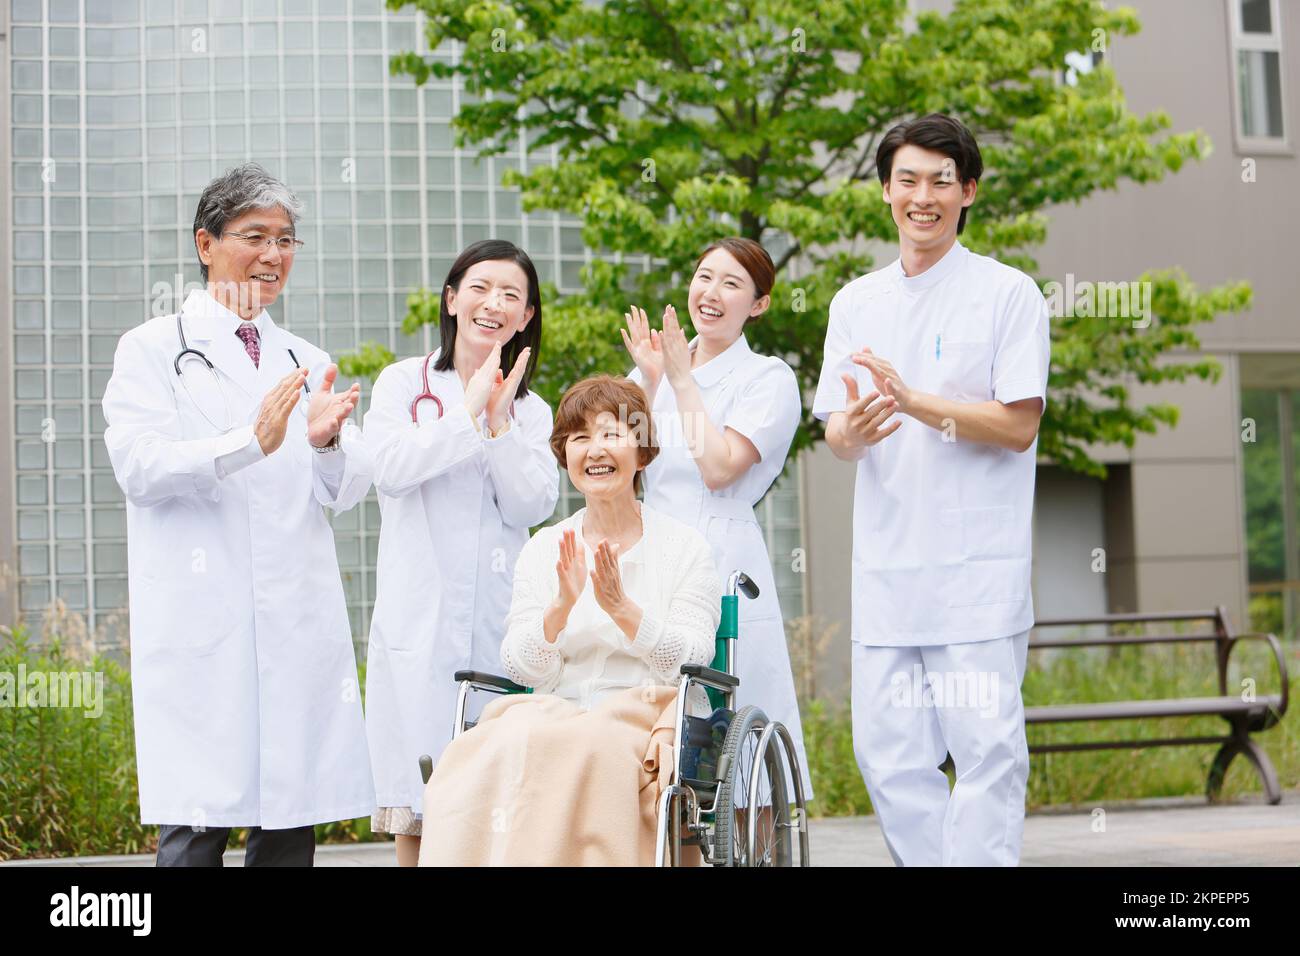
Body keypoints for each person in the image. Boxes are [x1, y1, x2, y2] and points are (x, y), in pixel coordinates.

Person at [101, 163, 374, 866]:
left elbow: (343, 493)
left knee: (288, 832)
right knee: (197, 833)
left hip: (294, 629)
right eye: (254, 236)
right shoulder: (153, 350)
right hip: (205, 626)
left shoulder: (307, 361)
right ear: (205, 243)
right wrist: (247, 444)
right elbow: (140, 468)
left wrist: (330, 443)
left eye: (286, 240)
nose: (273, 255)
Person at [812, 114, 1051, 867]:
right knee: (889, 758)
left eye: (941, 181)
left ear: (968, 191)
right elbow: (837, 436)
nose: (924, 196)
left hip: (975, 574)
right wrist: (852, 430)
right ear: (886, 191)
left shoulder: (1009, 295)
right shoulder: (855, 301)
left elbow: (1017, 425)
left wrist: (916, 402)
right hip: (888, 570)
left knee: (985, 754)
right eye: (907, 180)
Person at [417, 376, 721, 866]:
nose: (595, 450)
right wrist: (559, 609)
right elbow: (521, 668)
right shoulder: (543, 549)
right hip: (554, 709)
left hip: (642, 711)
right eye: (580, 438)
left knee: (589, 743)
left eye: (611, 434)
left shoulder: (684, 547)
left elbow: (693, 657)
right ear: (565, 457)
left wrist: (624, 610)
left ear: (642, 453)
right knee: (487, 749)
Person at [362, 240, 558, 866]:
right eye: (479, 288)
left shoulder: (532, 411)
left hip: (497, 621)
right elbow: (389, 469)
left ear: (526, 317)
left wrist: (498, 425)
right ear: (452, 299)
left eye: (511, 295)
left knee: (496, 795)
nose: (493, 304)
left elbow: (532, 507)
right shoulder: (402, 384)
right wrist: (468, 410)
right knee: (419, 803)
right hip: (418, 617)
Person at [622, 237, 813, 801]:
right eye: (705, 277)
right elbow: (617, 464)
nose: (711, 293)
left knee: (732, 732)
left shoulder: (766, 378)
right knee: (650, 721)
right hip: (649, 554)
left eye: (732, 284)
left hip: (721, 556)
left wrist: (681, 380)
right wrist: (652, 380)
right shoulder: (654, 371)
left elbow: (719, 468)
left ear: (758, 304)